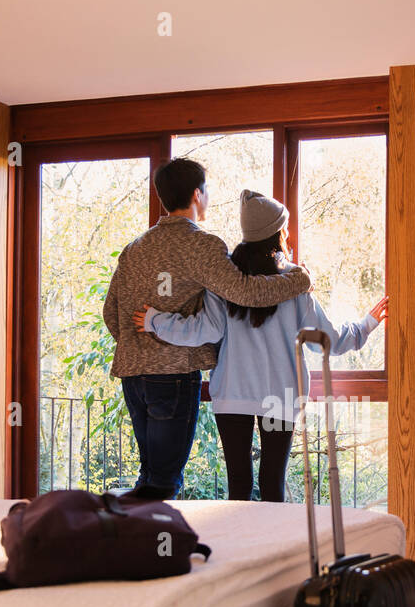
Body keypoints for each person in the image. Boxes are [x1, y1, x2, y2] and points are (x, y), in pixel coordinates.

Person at [135, 190, 387, 503]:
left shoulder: (225, 280)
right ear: (276, 234)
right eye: (285, 227)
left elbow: (203, 329)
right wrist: (366, 325)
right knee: (272, 489)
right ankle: (274, 551)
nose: (288, 233)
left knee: (238, 489)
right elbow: (329, 342)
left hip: (233, 393)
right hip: (280, 396)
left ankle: (242, 551)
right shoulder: (295, 282)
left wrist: (155, 321)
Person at [102, 158, 311, 500]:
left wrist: (139, 347)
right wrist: (299, 279)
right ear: (197, 194)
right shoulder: (202, 244)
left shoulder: (134, 248)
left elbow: (111, 312)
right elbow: (247, 292)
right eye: (208, 191)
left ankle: (136, 542)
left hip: (132, 376)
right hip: (171, 376)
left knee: (151, 476)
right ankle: (150, 549)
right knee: (164, 482)